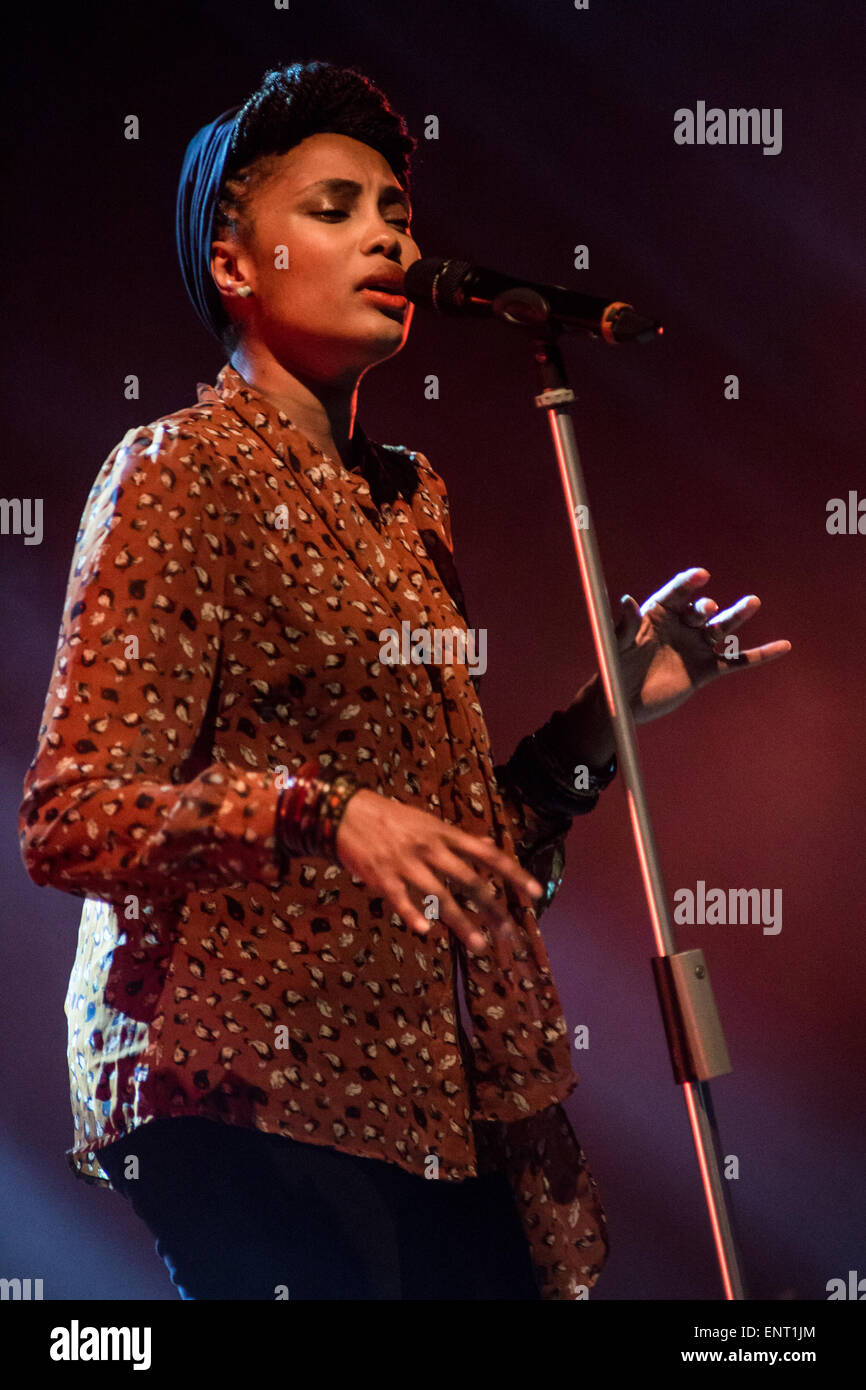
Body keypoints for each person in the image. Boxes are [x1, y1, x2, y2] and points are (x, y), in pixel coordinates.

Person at [17, 59, 790, 1302]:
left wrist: (607, 714)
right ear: (235, 264)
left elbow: (464, 858)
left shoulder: (410, 502)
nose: (386, 233)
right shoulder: (176, 468)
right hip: (246, 1101)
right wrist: (320, 810)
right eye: (333, 208)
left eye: (397, 212)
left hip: (431, 1103)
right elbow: (70, 816)